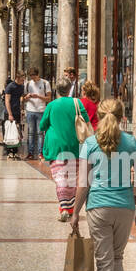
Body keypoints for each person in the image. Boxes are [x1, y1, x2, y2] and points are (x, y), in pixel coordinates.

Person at [70, 97, 136, 271]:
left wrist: (74, 213)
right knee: (117, 258)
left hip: (99, 207)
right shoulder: (132, 143)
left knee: (104, 263)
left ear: (99, 117)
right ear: (123, 117)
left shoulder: (90, 144)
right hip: (125, 207)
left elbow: (84, 183)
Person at [40, 80, 84, 219]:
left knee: (60, 178)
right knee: (72, 177)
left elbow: (42, 125)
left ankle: (64, 207)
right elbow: (86, 121)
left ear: (56, 90)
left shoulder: (52, 105)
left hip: (56, 146)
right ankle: (69, 207)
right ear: (70, 88)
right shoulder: (77, 103)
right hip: (74, 145)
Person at [24, 66, 51, 159]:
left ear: (38, 75)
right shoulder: (27, 84)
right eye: (31, 77)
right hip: (30, 110)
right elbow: (23, 98)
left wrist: (38, 96)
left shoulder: (45, 83)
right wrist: (26, 97)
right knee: (30, 133)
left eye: (34, 76)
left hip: (41, 110)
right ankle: (30, 152)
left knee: (40, 133)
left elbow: (49, 98)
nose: (33, 79)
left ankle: (40, 152)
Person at [4, 72, 24, 137]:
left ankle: (16, 143)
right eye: (22, 80)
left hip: (17, 111)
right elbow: (7, 101)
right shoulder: (10, 86)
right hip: (9, 111)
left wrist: (22, 109)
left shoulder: (22, 87)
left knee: (16, 128)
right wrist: (10, 114)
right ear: (17, 78)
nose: (23, 81)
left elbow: (21, 97)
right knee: (8, 129)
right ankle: (7, 143)